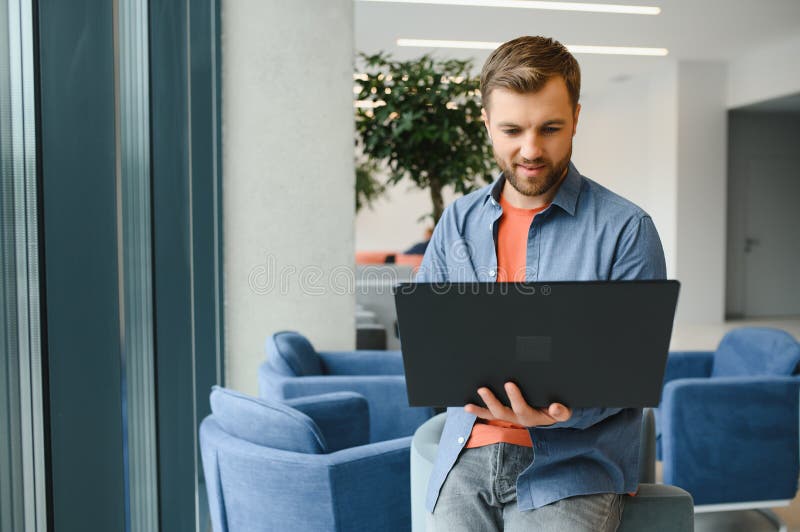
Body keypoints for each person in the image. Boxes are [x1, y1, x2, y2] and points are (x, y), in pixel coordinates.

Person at [416, 36, 666, 532]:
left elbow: (633, 369)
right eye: (511, 129)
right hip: (468, 454)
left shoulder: (626, 228)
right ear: (486, 123)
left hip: (574, 464)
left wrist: (559, 413)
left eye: (550, 128)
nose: (531, 150)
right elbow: (427, 336)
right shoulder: (458, 221)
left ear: (576, 117)